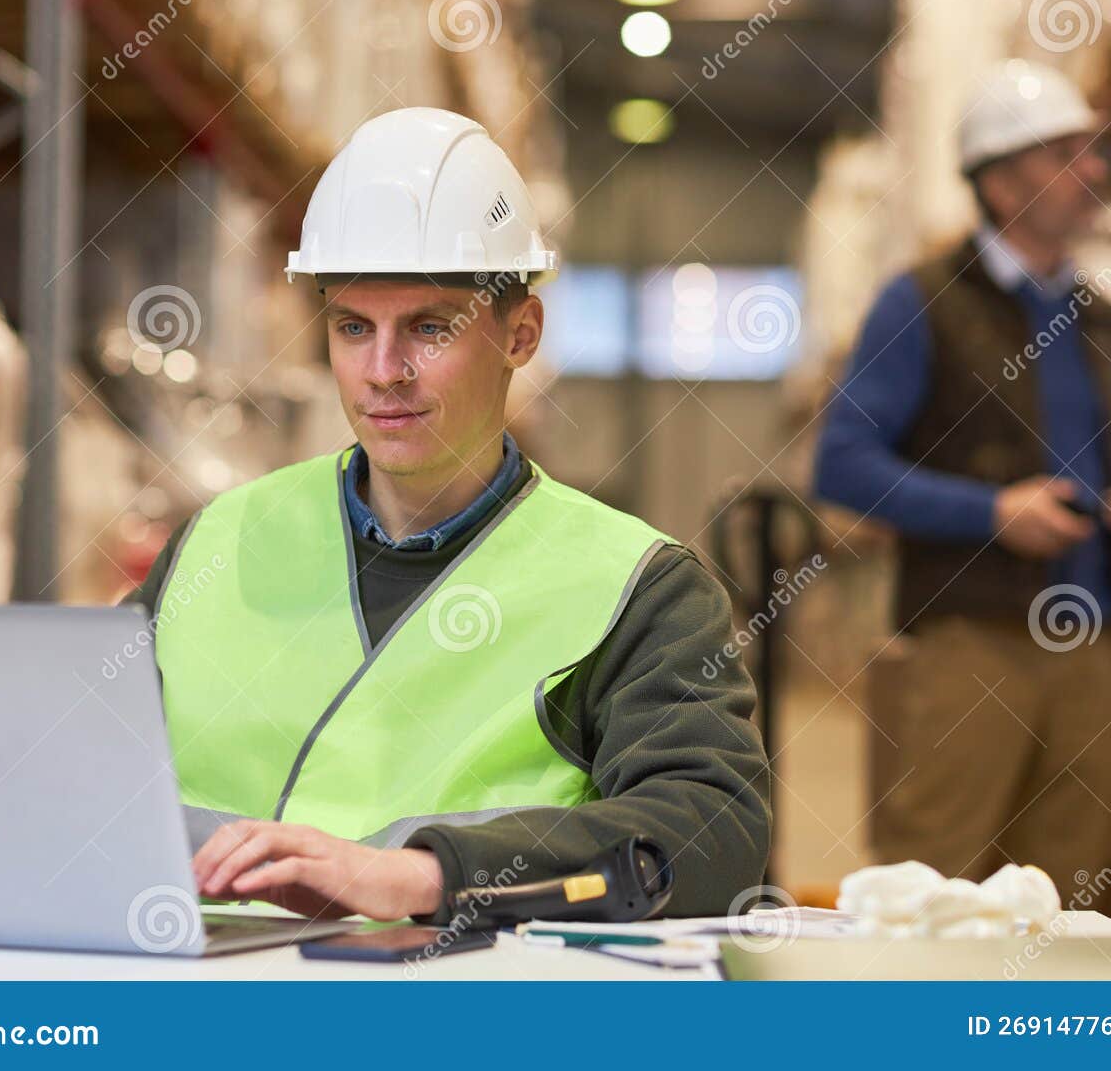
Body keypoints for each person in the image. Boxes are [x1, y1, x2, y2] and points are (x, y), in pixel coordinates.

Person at [128, 108, 770, 924]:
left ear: (521, 334)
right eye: (353, 327)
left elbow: (713, 833)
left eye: (429, 328)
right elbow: (72, 765)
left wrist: (430, 878)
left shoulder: (637, 587)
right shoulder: (215, 541)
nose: (383, 371)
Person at [813, 60, 1111, 899]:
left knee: (1068, 896)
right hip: (975, 642)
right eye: (1067, 154)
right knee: (932, 882)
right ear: (1003, 184)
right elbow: (843, 463)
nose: (1096, 171)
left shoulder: (1101, 314)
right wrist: (991, 512)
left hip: (1093, 640)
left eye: (1093, 150)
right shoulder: (924, 304)